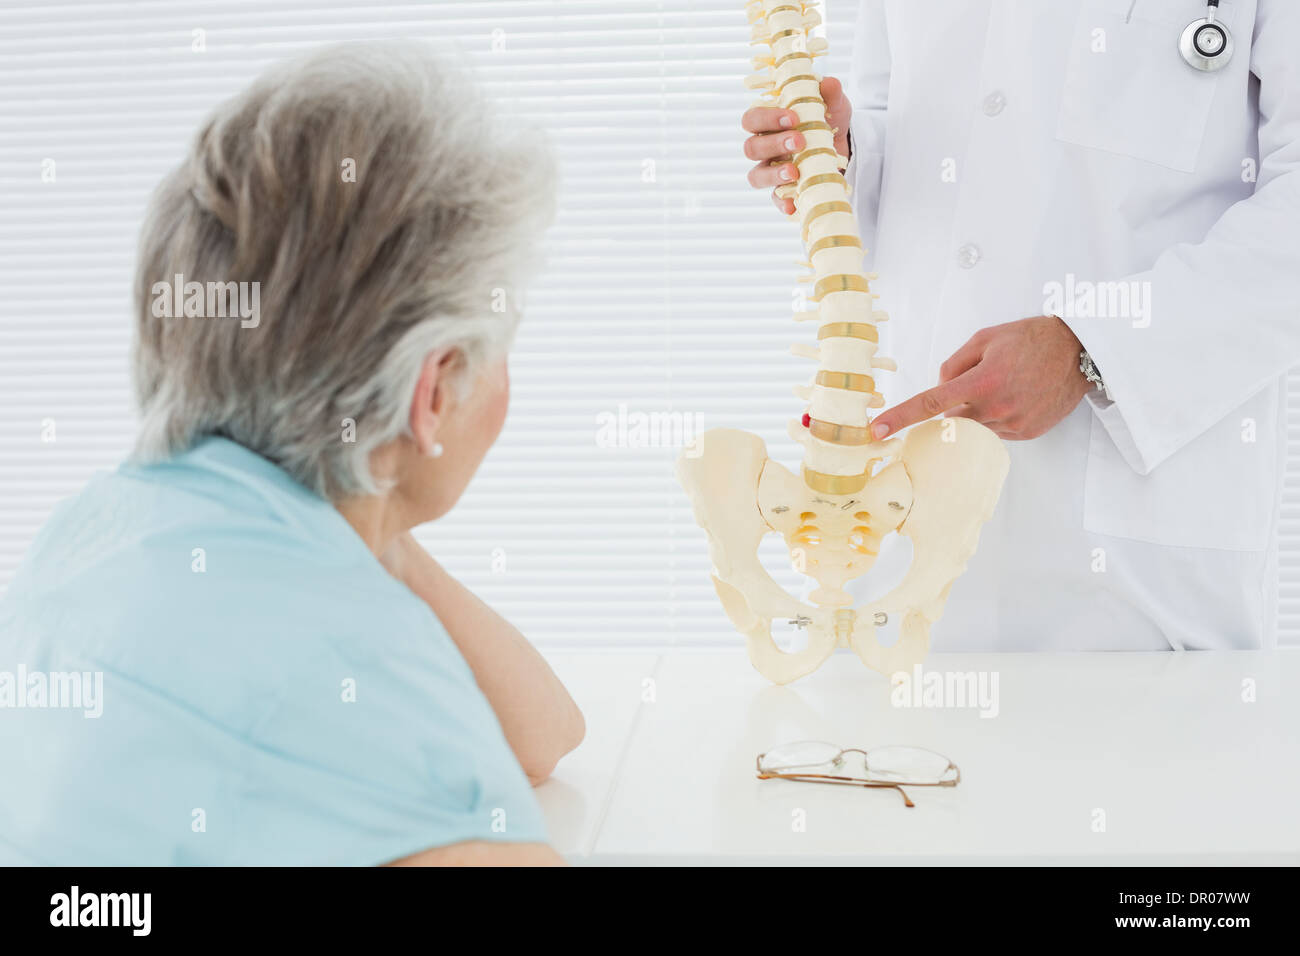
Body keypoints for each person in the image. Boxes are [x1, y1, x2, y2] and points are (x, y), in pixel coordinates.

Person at [0, 41, 583, 866]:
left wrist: (369, 506)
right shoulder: (349, 663)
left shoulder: (98, 531)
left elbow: (542, 735)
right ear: (432, 392)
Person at [741, 0, 1300, 650]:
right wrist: (840, 158)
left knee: (1140, 740)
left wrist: (1096, 350)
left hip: (1135, 557)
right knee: (891, 735)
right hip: (901, 525)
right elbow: (900, 129)